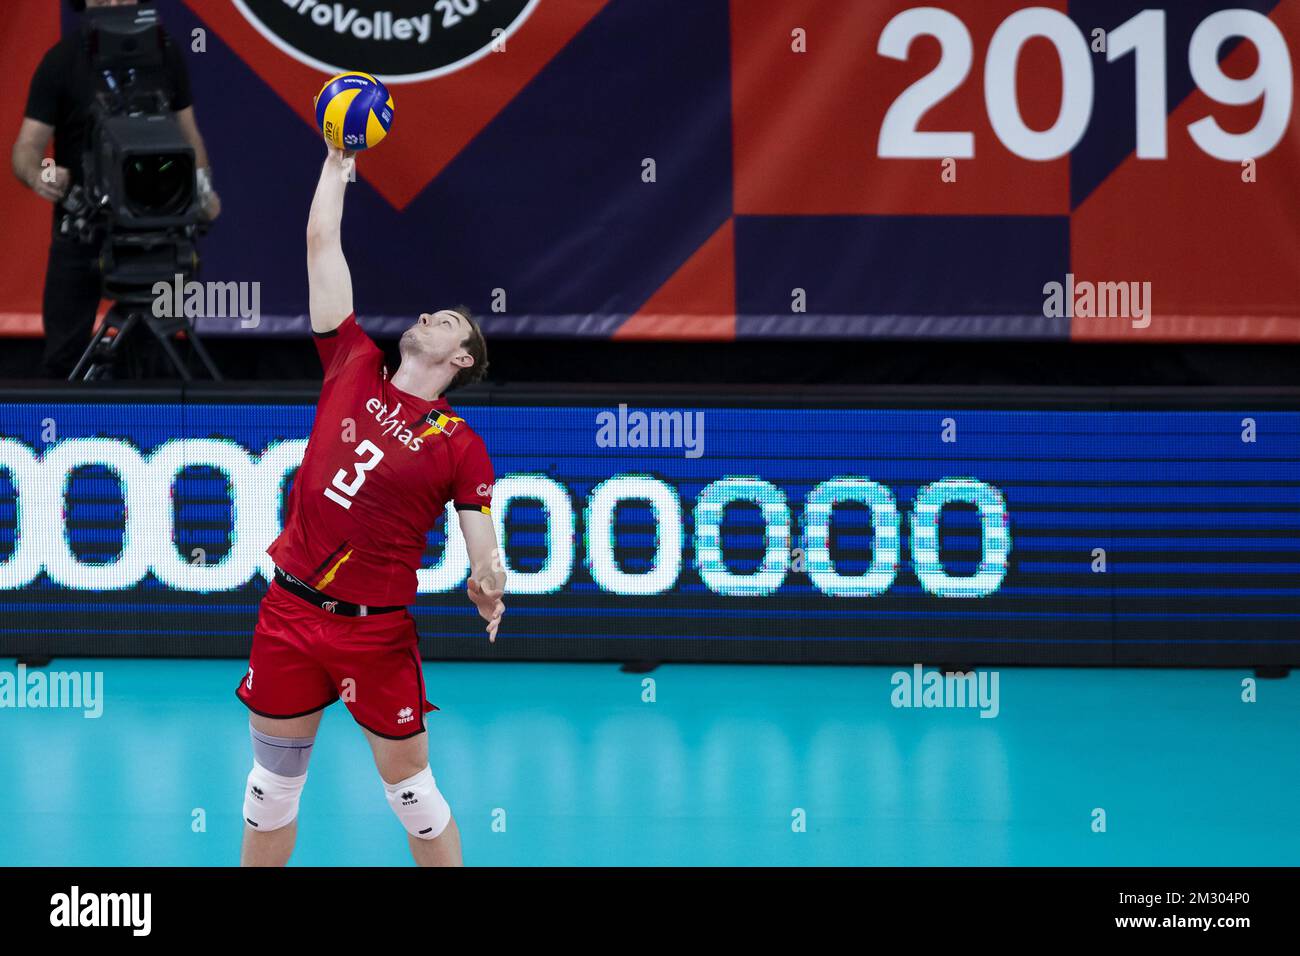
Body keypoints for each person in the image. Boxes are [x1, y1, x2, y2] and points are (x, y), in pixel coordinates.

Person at [234, 145, 504, 867]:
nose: (426, 315)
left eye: (445, 320)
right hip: (289, 614)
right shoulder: (352, 362)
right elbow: (322, 241)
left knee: (414, 798)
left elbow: (482, 536)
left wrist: (488, 578)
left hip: (374, 636)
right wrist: (333, 161)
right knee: (270, 792)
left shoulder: (460, 445)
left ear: (462, 360)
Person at [9, 0, 221, 379]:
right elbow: (27, 149)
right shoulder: (61, 60)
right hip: (83, 225)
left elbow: (189, 134)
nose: (112, 2)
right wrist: (43, 172)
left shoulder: (166, 53)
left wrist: (203, 192)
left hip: (160, 228)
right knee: (64, 357)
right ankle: (66, 432)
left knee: (159, 357)